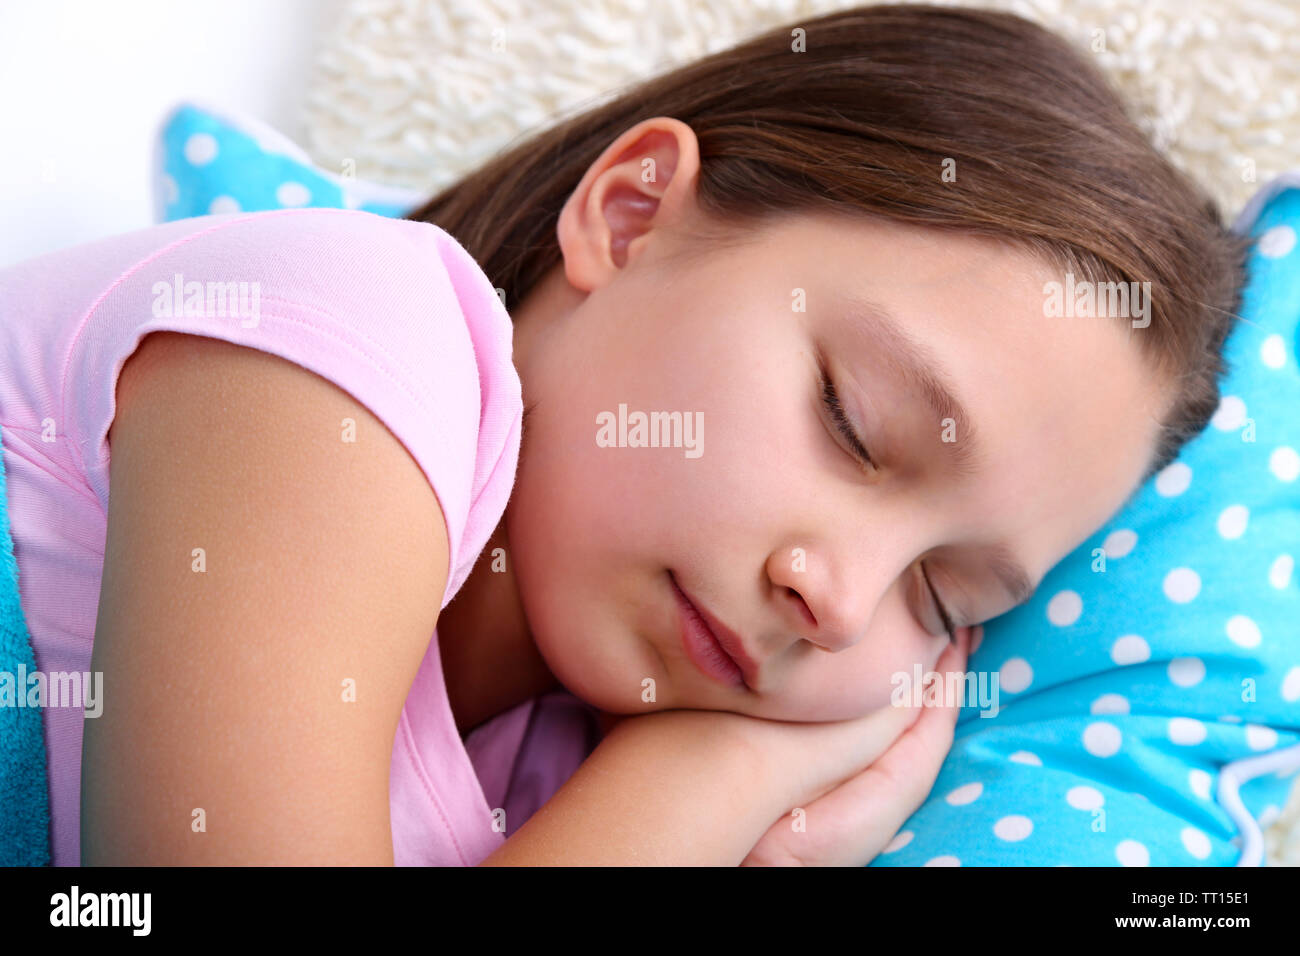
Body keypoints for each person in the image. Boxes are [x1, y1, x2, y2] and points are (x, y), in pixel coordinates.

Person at [0, 4, 1246, 865]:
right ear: (635, 214)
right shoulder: (349, 346)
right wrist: (701, 789)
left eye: (939, 592)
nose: (841, 597)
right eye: (853, 425)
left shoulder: (544, 789)